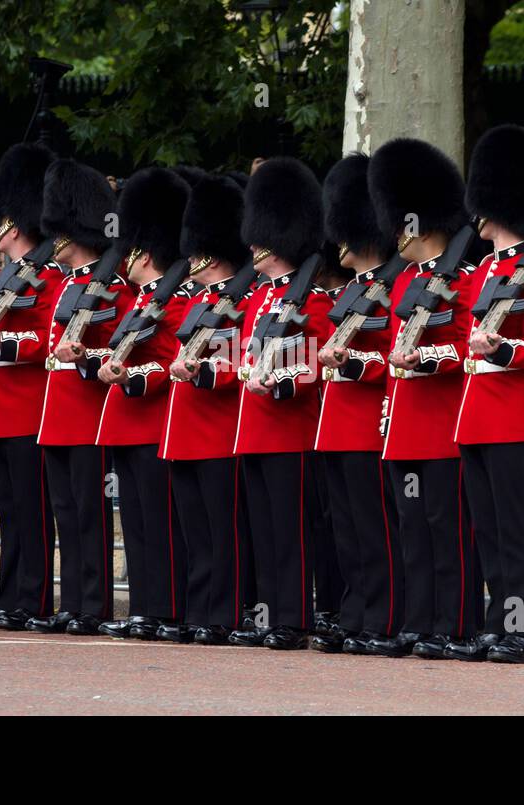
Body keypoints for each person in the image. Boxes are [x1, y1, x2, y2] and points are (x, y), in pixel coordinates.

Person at [451, 125, 524, 664]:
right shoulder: (478, 275)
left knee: (519, 530)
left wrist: (503, 349)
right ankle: (499, 622)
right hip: (474, 415)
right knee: (489, 528)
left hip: (516, 413)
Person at [365, 139, 475, 660]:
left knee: (445, 528)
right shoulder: (404, 281)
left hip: (441, 424)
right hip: (404, 425)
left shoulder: (464, 281)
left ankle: (453, 622)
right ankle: (418, 619)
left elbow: (465, 349)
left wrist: (427, 360)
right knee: (412, 529)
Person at [228, 157, 335, 651]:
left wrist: (279, 380)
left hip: (290, 428)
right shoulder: (255, 298)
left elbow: (316, 363)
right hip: (252, 427)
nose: (253, 246)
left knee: (290, 530)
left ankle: (292, 619)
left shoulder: (311, 299)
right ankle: (269, 614)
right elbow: (238, 352)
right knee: (264, 529)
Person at [29, 159, 133, 636]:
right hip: (57, 412)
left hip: (88, 412)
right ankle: (71, 600)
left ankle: (93, 603)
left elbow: (119, 345)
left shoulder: (110, 286)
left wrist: (86, 352)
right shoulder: (68, 283)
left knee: (90, 513)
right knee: (65, 514)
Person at [94, 167, 193, 641]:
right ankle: (145, 607)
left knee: (160, 524)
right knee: (134, 525)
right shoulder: (139, 301)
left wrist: (131, 376)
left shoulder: (173, 303)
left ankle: (167, 608)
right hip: (125, 424)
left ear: (144, 253)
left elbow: (170, 361)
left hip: (153, 422)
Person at [312, 154, 404, 654]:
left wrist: (350, 364)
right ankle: (355, 612)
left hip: (368, 423)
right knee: (346, 531)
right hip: (334, 424)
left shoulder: (389, 290)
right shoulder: (349, 290)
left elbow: (390, 357)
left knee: (374, 529)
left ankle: (383, 617)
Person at [0, 143, 60, 631]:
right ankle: (10, 596)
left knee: (30, 508)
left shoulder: (45, 277)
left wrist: (1, 340)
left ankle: (35, 597)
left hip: (27, 408)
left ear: (15, 223)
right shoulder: (6, 277)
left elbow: (44, 338)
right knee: (9, 509)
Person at [162, 174, 255, 645]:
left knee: (223, 533)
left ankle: (224, 612)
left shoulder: (236, 303)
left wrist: (199, 371)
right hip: (183, 431)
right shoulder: (192, 301)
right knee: (195, 531)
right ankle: (199, 609)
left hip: (217, 431)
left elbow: (234, 364)